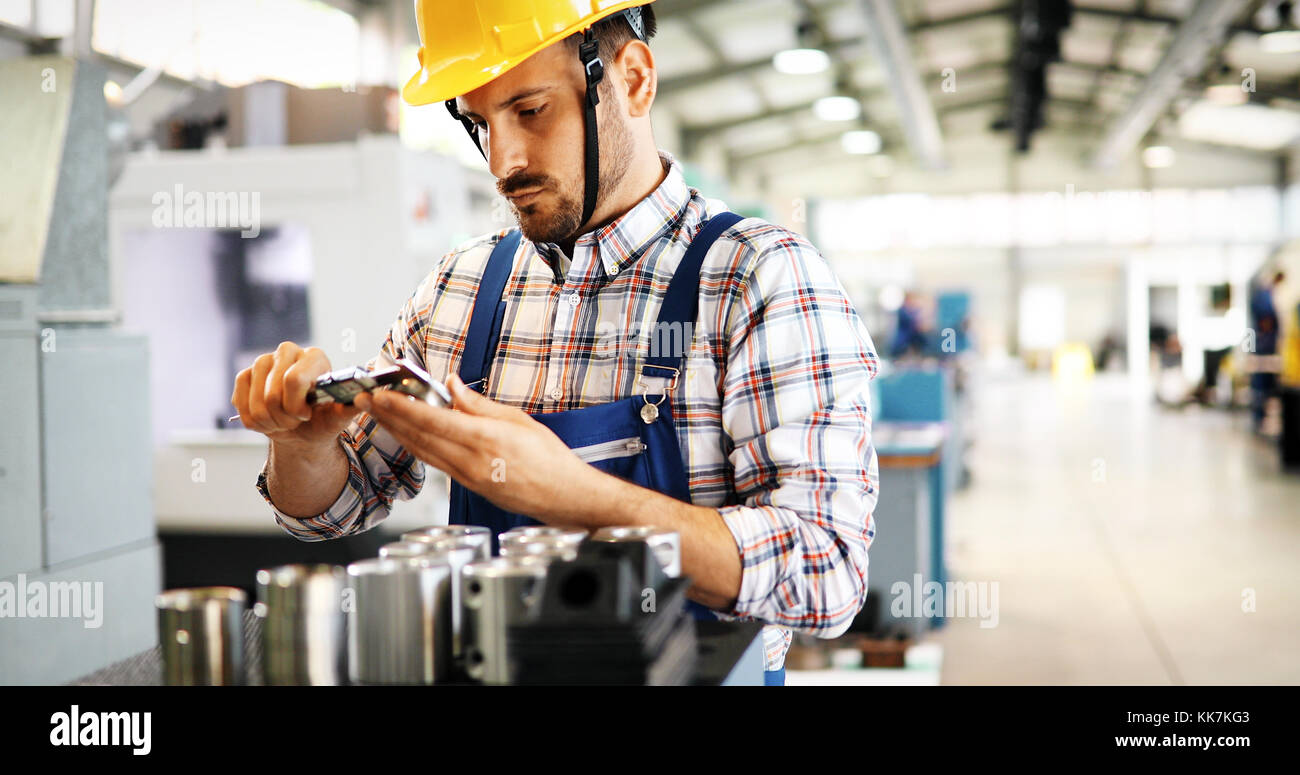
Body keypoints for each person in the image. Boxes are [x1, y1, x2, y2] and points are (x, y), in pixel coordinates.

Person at [229, 1, 879, 684]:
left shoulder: (759, 280)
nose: (504, 160)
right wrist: (303, 446)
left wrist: (581, 496)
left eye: (531, 110)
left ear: (631, 80)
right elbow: (336, 507)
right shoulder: (458, 290)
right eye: (481, 123)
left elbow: (826, 572)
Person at [1249, 272, 1284, 431]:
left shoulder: (1266, 295)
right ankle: (1259, 418)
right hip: (1263, 348)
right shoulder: (1264, 297)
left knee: (1265, 384)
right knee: (1261, 384)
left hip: (1265, 346)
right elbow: (1266, 320)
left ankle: (1260, 418)